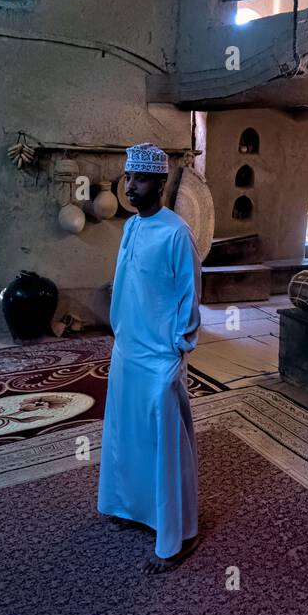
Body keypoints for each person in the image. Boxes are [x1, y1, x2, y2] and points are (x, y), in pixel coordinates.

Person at [98, 142, 202, 574]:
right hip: (128, 350)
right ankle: (133, 508)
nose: (130, 186)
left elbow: (189, 297)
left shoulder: (177, 233)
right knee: (128, 435)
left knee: (164, 443)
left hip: (160, 354)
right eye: (127, 178)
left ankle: (177, 536)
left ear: (160, 183)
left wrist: (179, 349)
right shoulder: (131, 228)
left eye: (139, 179)